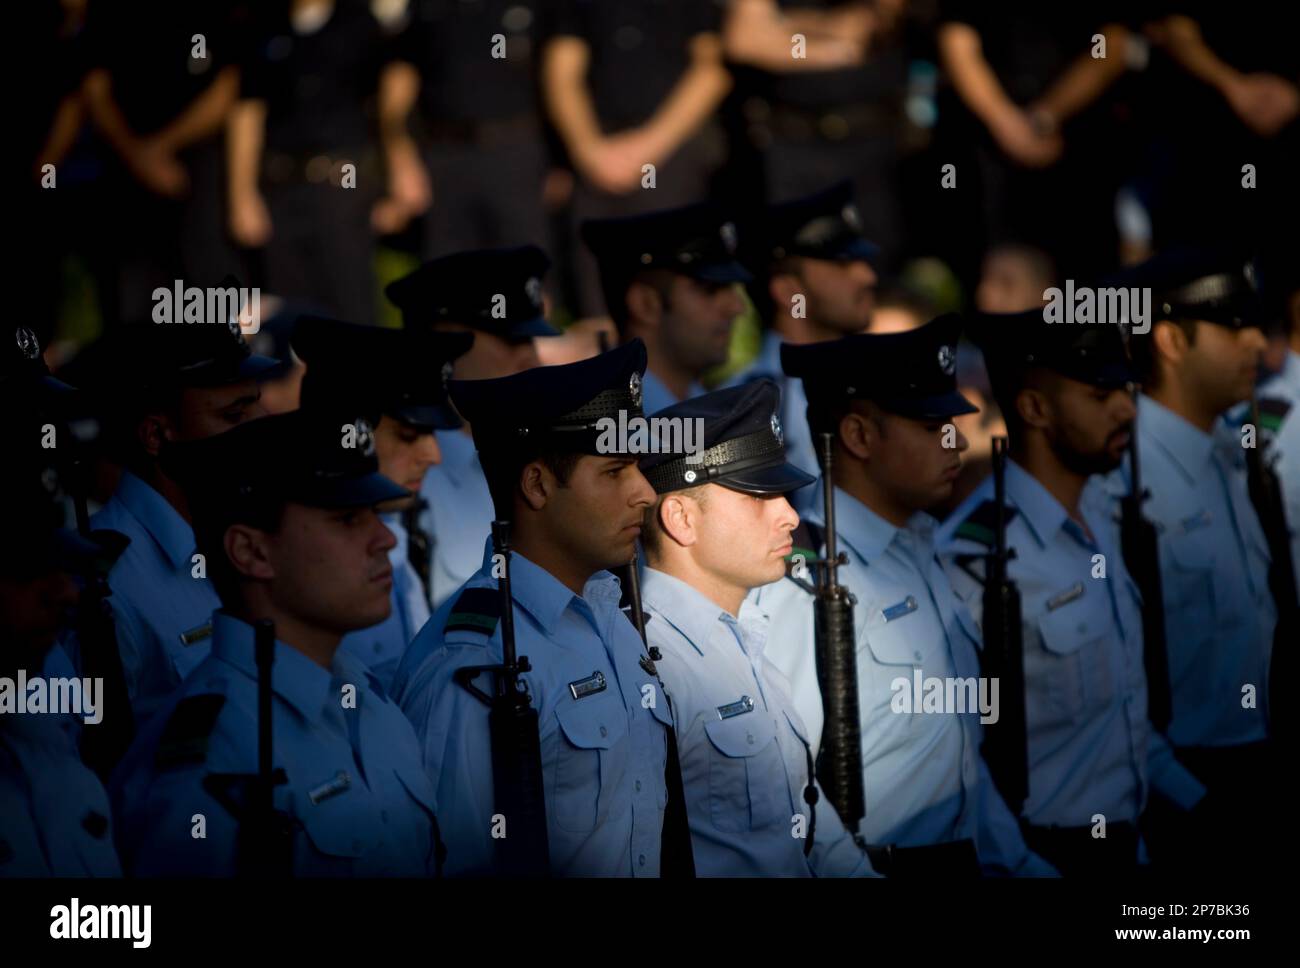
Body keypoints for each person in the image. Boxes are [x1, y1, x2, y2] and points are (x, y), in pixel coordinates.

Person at [751, 314, 1054, 876]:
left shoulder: (920, 549)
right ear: (859, 436)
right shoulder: (803, 583)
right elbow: (790, 795)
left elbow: (960, 756)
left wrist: (1019, 863)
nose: (959, 439)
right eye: (930, 424)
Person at [392, 341, 686, 876]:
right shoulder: (472, 660)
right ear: (537, 484)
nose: (646, 492)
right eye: (616, 470)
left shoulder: (609, 619)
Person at [111, 409, 444, 876]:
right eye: (347, 519)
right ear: (252, 551)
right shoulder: (206, 764)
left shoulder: (371, 703)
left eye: (374, 514)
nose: (385, 538)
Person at [939, 309, 1206, 876]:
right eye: (1100, 394)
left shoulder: (1102, 518)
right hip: (1047, 855)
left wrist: (1198, 801)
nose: (1128, 409)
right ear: (1035, 408)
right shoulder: (975, 558)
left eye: (1127, 389)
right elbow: (959, 758)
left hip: (1129, 843)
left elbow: (1123, 715)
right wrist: (1022, 866)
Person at [637, 379, 876, 876]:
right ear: (681, 517)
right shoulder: (646, 663)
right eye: (756, 495)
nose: (789, 515)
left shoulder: (744, 637)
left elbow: (806, 827)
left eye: (783, 495)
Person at [1101, 250, 1278, 866]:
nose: (1258, 340)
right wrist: (1193, 800)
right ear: (1172, 340)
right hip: (1180, 790)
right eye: (1234, 326)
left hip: (1260, 768)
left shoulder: (1236, 453)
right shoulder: (1121, 477)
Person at [77, 322, 277, 723]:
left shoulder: (251, 532)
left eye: (258, 403)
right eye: (235, 414)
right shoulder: (107, 585)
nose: (264, 427)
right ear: (156, 434)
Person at [291, 316, 473, 689]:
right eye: (409, 436)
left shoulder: (394, 528)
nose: (433, 455)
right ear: (350, 431)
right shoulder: (303, 558)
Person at [385, 245, 560, 609]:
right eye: (510, 338)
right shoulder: (404, 476)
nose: (531, 356)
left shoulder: (546, 458)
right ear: (441, 336)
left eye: (531, 338)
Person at [543, 0, 732, 316]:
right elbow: (562, 74)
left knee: (668, 285)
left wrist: (649, 146)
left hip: (669, 152)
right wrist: (588, 150)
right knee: (598, 289)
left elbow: (711, 71)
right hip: (598, 154)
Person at [726, 180, 880, 506]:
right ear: (788, 292)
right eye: (842, 264)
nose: (867, 276)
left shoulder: (879, 383)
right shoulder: (745, 404)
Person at [382, 0, 554, 256]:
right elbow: (397, 87)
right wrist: (400, 160)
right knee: (450, 275)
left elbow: (560, 79)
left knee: (526, 269)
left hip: (517, 154)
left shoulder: (534, 7)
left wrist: (561, 161)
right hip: (444, 157)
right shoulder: (424, 8)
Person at [581, 202, 751, 415]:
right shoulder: (611, 434)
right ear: (645, 305)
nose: (737, 307)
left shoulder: (714, 412)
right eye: (710, 290)